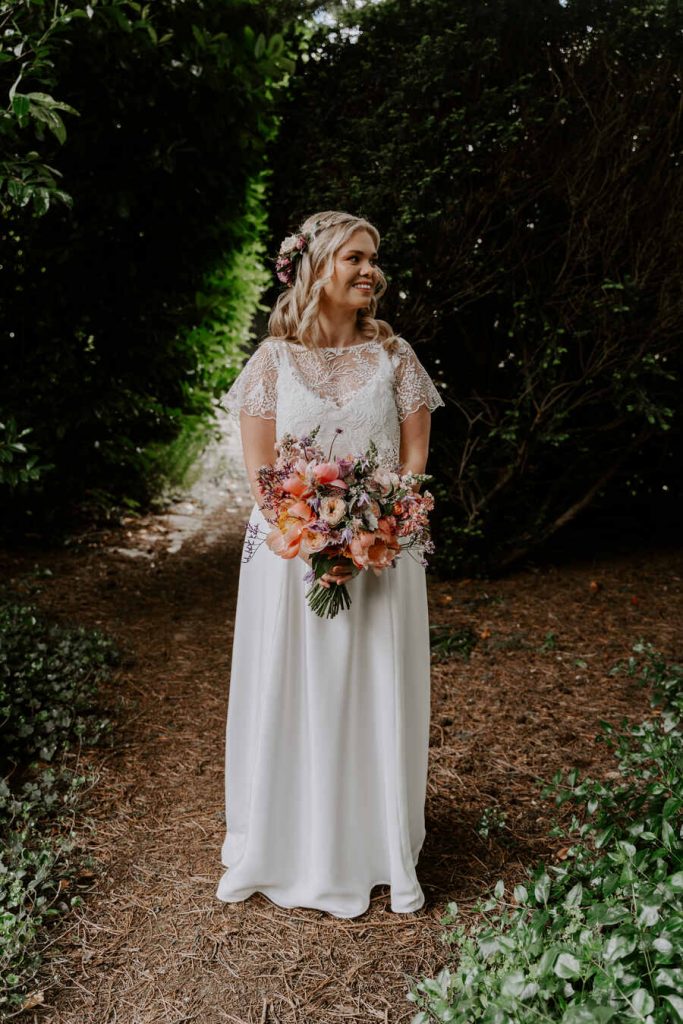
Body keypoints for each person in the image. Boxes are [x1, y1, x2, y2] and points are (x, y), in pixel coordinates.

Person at [216, 210, 445, 918]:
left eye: (373, 258)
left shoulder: (395, 356)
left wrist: (377, 526)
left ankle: (373, 843)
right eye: (354, 257)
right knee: (293, 687)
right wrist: (312, 535)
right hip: (288, 558)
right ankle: (287, 842)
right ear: (316, 267)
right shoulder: (271, 363)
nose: (369, 271)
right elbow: (260, 473)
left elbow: (413, 459)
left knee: (374, 683)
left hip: (382, 557)